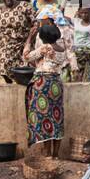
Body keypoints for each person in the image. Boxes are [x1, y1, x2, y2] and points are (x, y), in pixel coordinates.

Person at [22, 21, 76, 157]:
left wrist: (29, 38)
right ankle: (55, 155)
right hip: (56, 83)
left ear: (43, 37)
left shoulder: (45, 47)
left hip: (43, 83)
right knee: (56, 117)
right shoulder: (61, 49)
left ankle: (46, 155)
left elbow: (26, 57)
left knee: (44, 117)